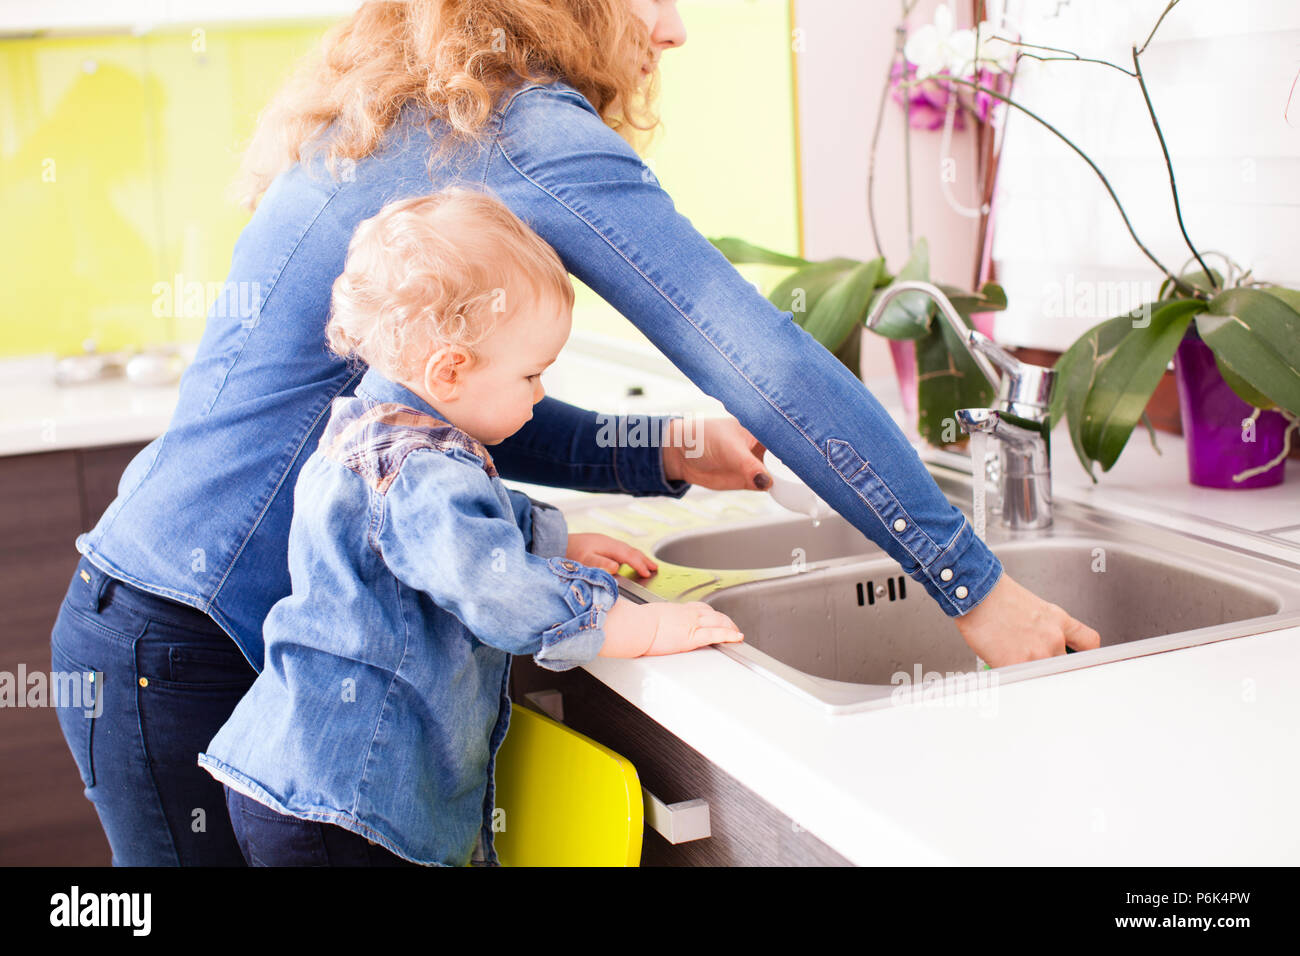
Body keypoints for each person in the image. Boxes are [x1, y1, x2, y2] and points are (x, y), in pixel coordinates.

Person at [51, 0, 1100, 867]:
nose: (677, 30)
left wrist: (663, 451)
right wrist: (974, 585)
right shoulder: (519, 128)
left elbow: (429, 412)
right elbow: (768, 361)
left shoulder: (410, 116)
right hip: (188, 643)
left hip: (152, 621)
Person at [199, 188, 741, 867]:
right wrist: (637, 627)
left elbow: (444, 539)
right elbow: (498, 594)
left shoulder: (373, 428)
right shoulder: (424, 467)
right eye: (532, 374)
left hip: (298, 778)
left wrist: (556, 542)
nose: (540, 394)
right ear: (450, 370)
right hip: (350, 804)